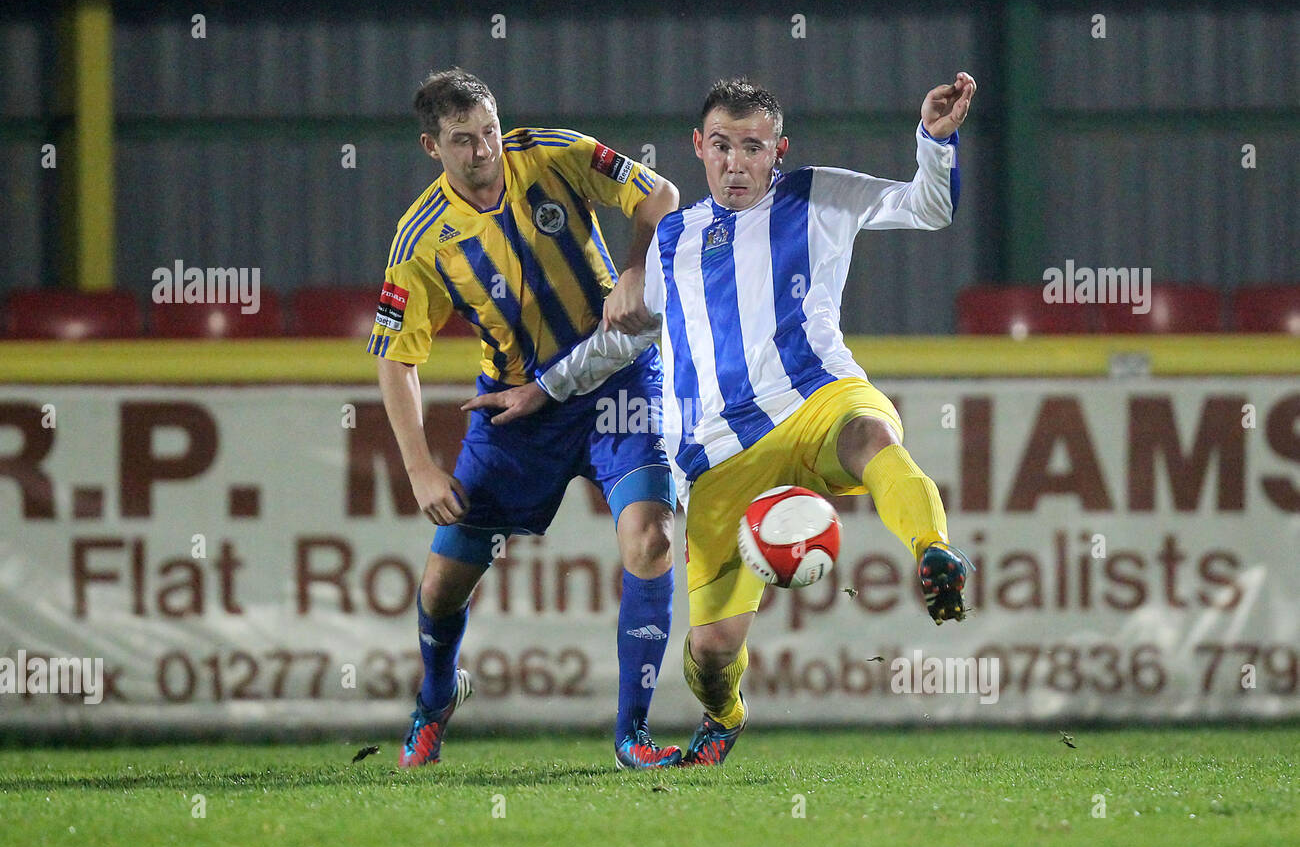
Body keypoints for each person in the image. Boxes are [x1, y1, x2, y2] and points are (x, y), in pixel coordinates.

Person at [464, 74, 977, 766]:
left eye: (753, 148)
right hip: (719, 451)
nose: (737, 163)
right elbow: (622, 341)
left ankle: (933, 550)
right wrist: (543, 390)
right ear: (698, 147)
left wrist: (935, 143)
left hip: (814, 396)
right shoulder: (672, 239)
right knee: (710, 653)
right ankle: (726, 713)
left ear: (778, 152)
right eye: (722, 146)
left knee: (870, 434)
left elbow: (928, 207)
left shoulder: (819, 195)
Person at [369, 67, 684, 769]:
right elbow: (396, 358)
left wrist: (636, 267)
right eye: (462, 140)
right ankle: (437, 697)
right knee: (442, 585)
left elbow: (660, 195)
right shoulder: (421, 238)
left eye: (488, 130)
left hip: (615, 381)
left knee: (651, 540)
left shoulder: (552, 153)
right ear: (431, 147)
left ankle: (631, 735)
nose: (483, 150)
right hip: (516, 410)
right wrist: (420, 468)